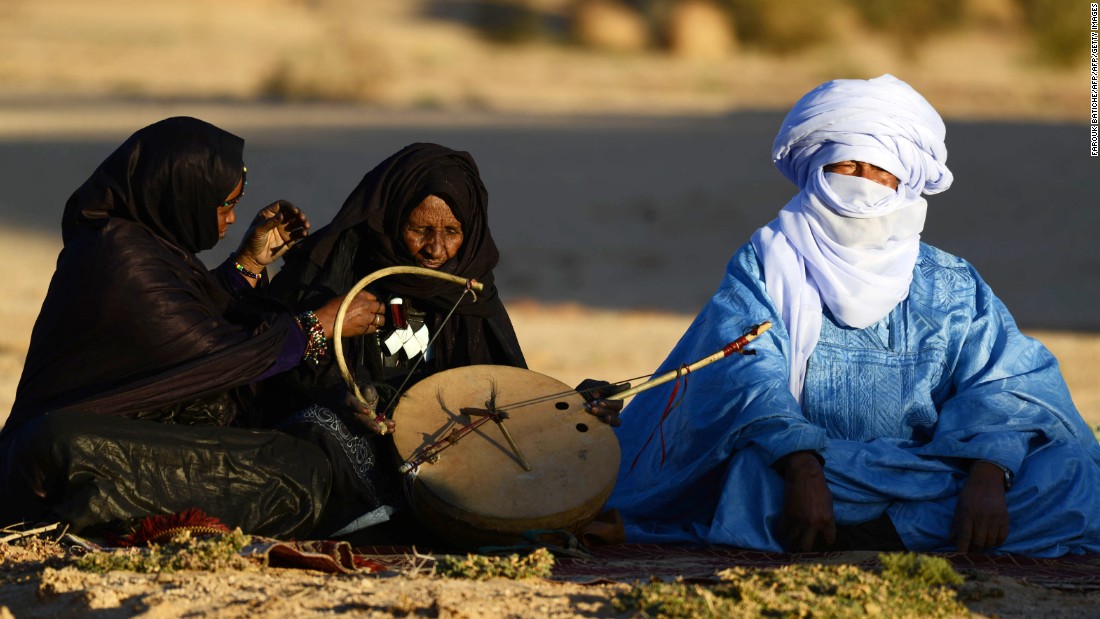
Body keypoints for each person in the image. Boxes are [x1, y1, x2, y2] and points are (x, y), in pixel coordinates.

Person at [606, 75, 1100, 557]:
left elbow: (1006, 382)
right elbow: (745, 374)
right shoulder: (769, 263)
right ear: (816, 169)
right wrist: (801, 466)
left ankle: (865, 535)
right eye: (847, 166)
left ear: (904, 181)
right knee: (750, 474)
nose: (862, 184)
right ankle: (909, 532)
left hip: (930, 466)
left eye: (879, 170)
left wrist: (989, 473)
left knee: (1068, 473)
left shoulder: (951, 280)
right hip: (814, 465)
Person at [0, 117, 384, 539]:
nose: (232, 218)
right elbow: (217, 356)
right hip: (61, 458)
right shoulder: (121, 262)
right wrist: (318, 326)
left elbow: (184, 324)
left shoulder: (139, 247)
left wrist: (248, 265)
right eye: (223, 205)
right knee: (299, 471)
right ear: (180, 195)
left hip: (82, 446)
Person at [265, 142, 623, 539]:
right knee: (321, 434)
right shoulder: (329, 275)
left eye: (452, 232)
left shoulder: (471, 291)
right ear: (391, 219)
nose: (436, 249)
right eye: (420, 230)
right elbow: (273, 375)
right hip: (355, 457)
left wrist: (571, 408)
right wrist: (342, 396)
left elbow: (503, 402)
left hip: (443, 465)